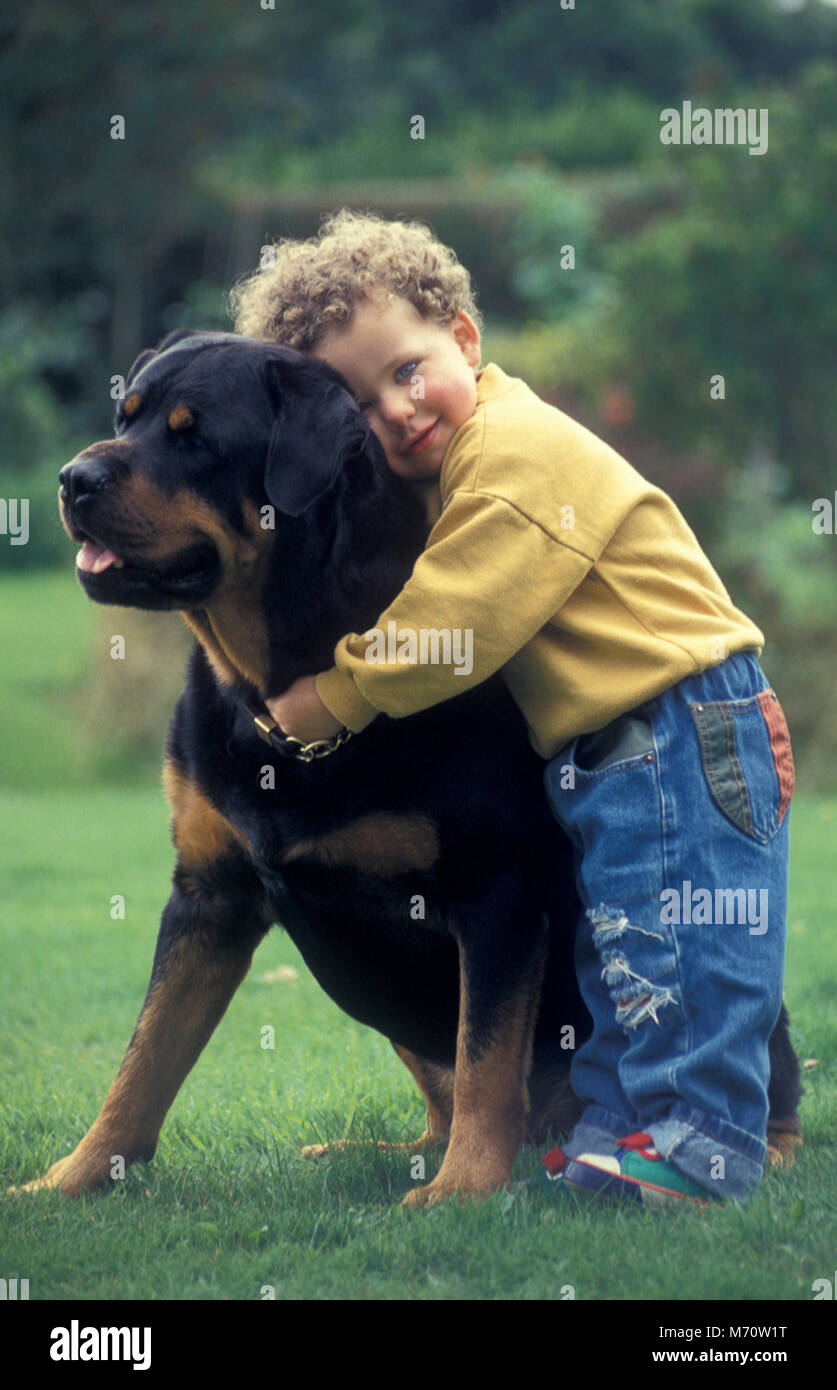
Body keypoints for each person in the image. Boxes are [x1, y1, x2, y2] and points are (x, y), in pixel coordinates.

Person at [229, 208, 795, 1205]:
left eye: (406, 371)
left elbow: (463, 615)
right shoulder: (467, 461)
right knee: (626, 947)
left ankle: (701, 1152)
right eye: (358, 405)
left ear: (463, 334)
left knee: (685, 941)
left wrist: (341, 690)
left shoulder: (512, 450)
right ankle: (618, 1141)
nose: (396, 412)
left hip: (672, 726)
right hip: (624, 746)